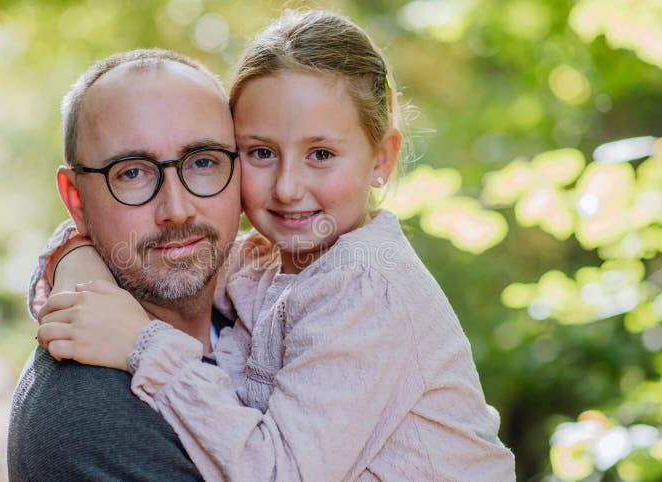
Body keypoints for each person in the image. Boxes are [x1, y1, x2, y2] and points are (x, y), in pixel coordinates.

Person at [37, 10, 517, 481]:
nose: (288, 187)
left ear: (381, 158)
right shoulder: (259, 263)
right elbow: (134, 250)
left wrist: (142, 344)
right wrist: (85, 286)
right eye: (262, 153)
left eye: (321, 154)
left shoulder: (367, 287)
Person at [7, 48, 244, 481]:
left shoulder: (263, 318)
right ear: (76, 200)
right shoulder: (90, 409)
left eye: (203, 162)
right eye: (132, 172)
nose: (177, 208)